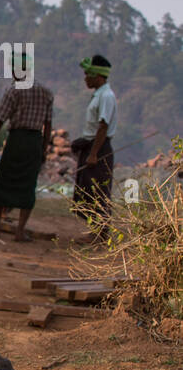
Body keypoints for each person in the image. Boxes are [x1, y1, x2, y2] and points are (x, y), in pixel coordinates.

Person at [0, 51, 52, 241]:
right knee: (28, 185)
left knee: (4, 180)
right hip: (34, 142)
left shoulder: (13, 90)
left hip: (17, 140)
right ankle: (20, 230)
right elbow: (48, 125)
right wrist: (44, 148)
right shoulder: (45, 91)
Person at [71, 54, 117, 242]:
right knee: (86, 189)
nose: (85, 78)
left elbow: (103, 126)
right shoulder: (98, 95)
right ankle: (96, 229)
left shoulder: (106, 96)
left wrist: (93, 153)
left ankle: (101, 232)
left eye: (88, 75)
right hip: (91, 145)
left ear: (98, 76)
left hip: (99, 148)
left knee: (96, 190)